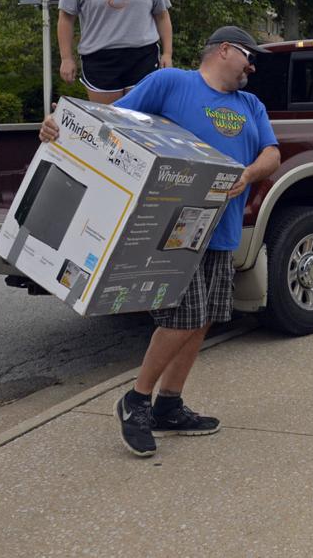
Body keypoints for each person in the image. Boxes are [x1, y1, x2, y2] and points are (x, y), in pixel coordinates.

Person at [39, 26, 280, 457]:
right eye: (248, 55)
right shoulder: (172, 82)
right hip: (171, 229)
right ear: (223, 49)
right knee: (182, 318)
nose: (252, 65)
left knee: (204, 319)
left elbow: (272, 153)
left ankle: (170, 404)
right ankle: (136, 401)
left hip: (221, 230)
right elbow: (112, 121)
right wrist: (59, 126)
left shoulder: (250, 105)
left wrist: (248, 174)